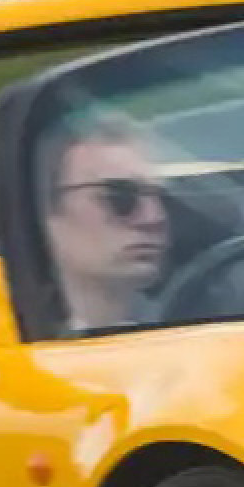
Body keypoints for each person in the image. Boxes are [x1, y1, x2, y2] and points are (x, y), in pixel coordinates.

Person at [41, 110, 170, 333]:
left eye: (164, 197)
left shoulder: (191, 321)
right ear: (46, 211)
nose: (154, 217)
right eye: (120, 197)